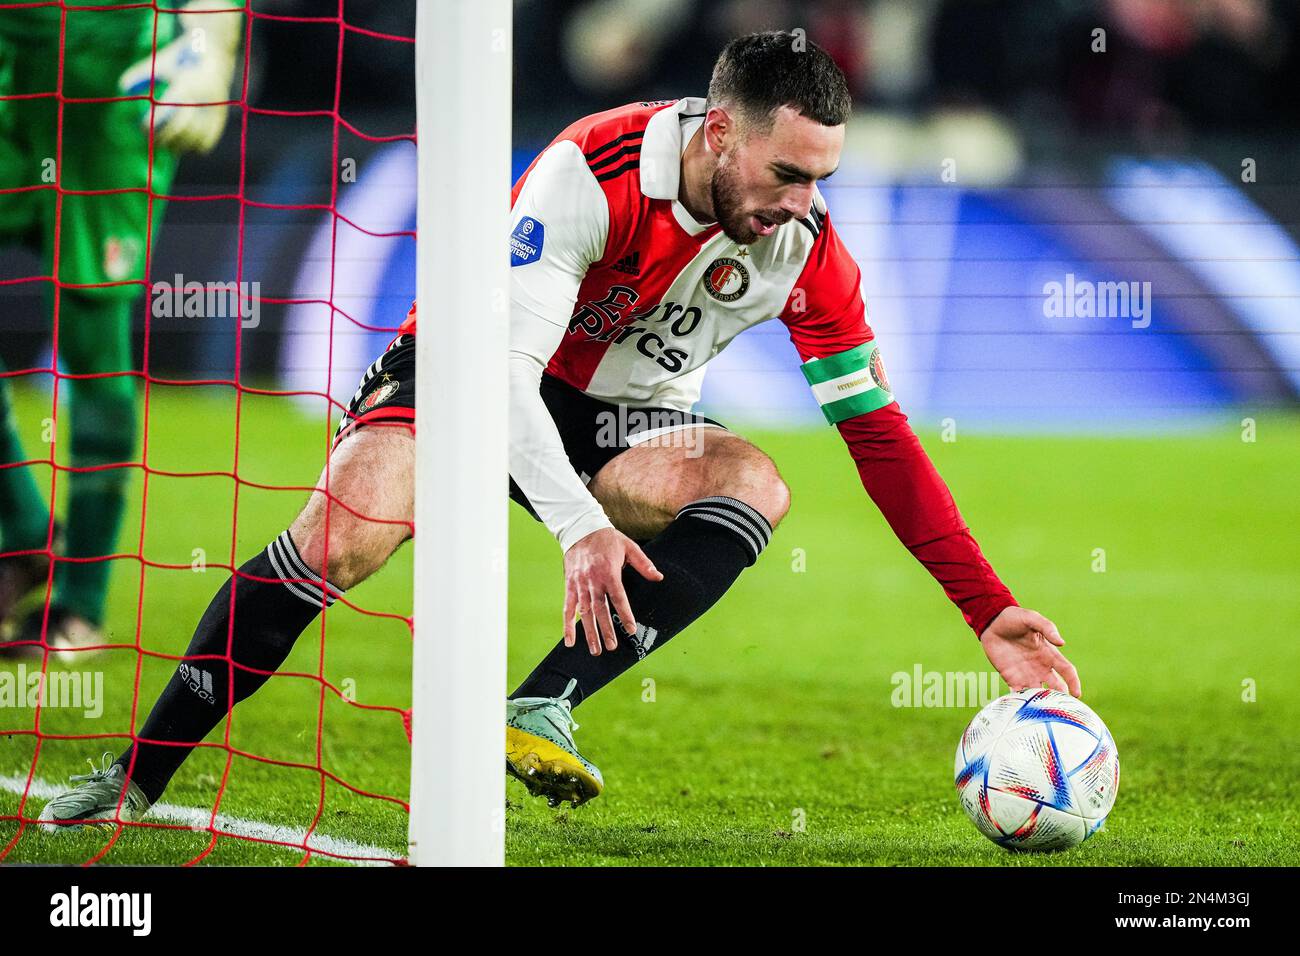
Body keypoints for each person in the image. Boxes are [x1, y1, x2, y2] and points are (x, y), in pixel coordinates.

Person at [0, 1, 242, 657]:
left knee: (90, 339)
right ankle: (23, 529)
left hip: (107, 82)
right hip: (7, 62)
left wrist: (209, 50)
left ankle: (79, 606)